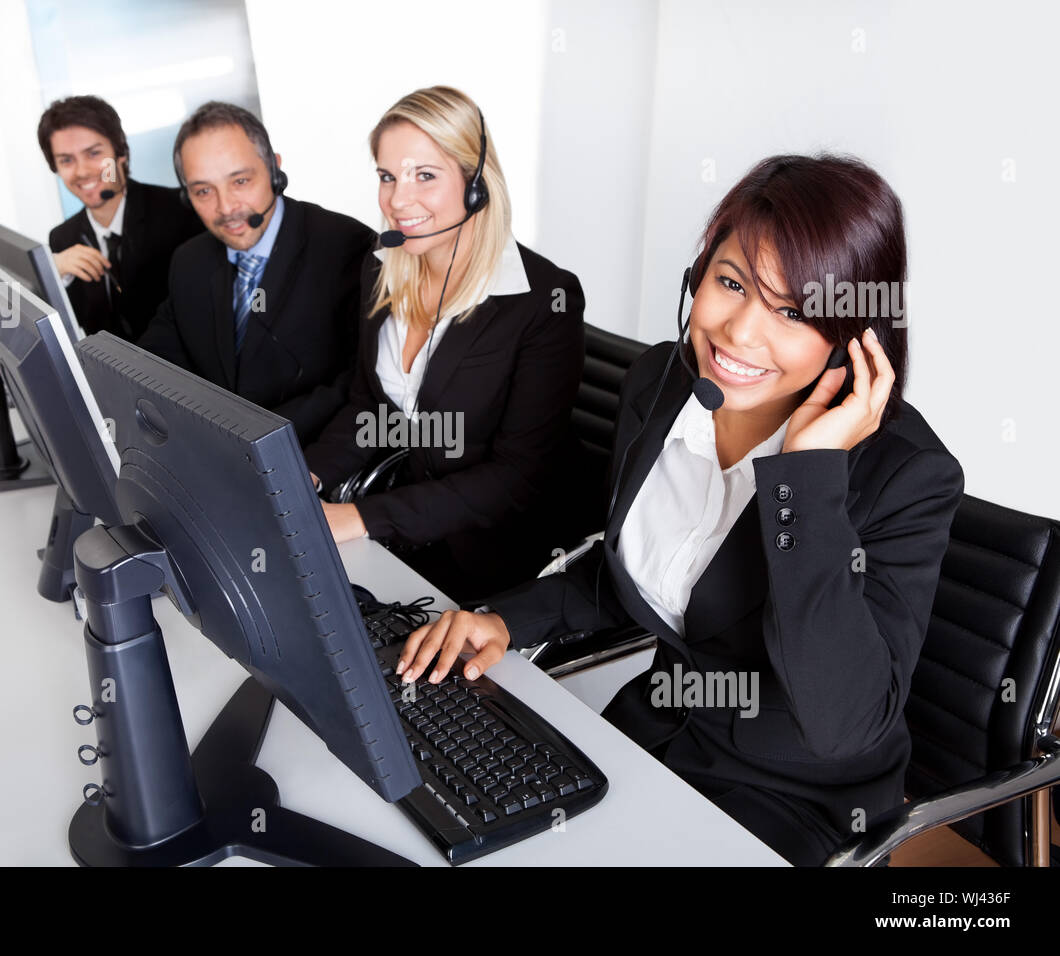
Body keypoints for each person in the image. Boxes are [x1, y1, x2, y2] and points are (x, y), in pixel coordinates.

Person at [395, 154, 965, 866]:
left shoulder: (907, 477)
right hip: (653, 734)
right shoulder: (660, 384)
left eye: (793, 311)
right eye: (731, 283)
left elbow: (841, 721)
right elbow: (632, 572)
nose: (739, 334)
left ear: (854, 336)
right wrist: (507, 619)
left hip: (793, 796)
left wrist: (806, 479)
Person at [304, 86, 591, 603]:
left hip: (507, 558)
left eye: (425, 176)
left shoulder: (544, 300)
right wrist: (308, 473)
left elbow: (517, 477)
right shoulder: (383, 265)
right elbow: (371, 405)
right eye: (388, 176)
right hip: (413, 535)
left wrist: (361, 518)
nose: (397, 200)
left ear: (476, 184)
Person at [137, 102, 374, 446]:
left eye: (241, 181)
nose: (226, 207)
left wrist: (250, 439)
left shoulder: (349, 249)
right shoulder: (190, 262)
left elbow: (359, 386)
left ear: (275, 171)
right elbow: (151, 361)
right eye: (204, 191)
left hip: (311, 455)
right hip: (217, 458)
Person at [38, 95, 203, 341]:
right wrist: (54, 274)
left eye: (94, 153)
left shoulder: (180, 212)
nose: (82, 171)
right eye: (66, 160)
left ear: (120, 152)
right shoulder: (63, 238)